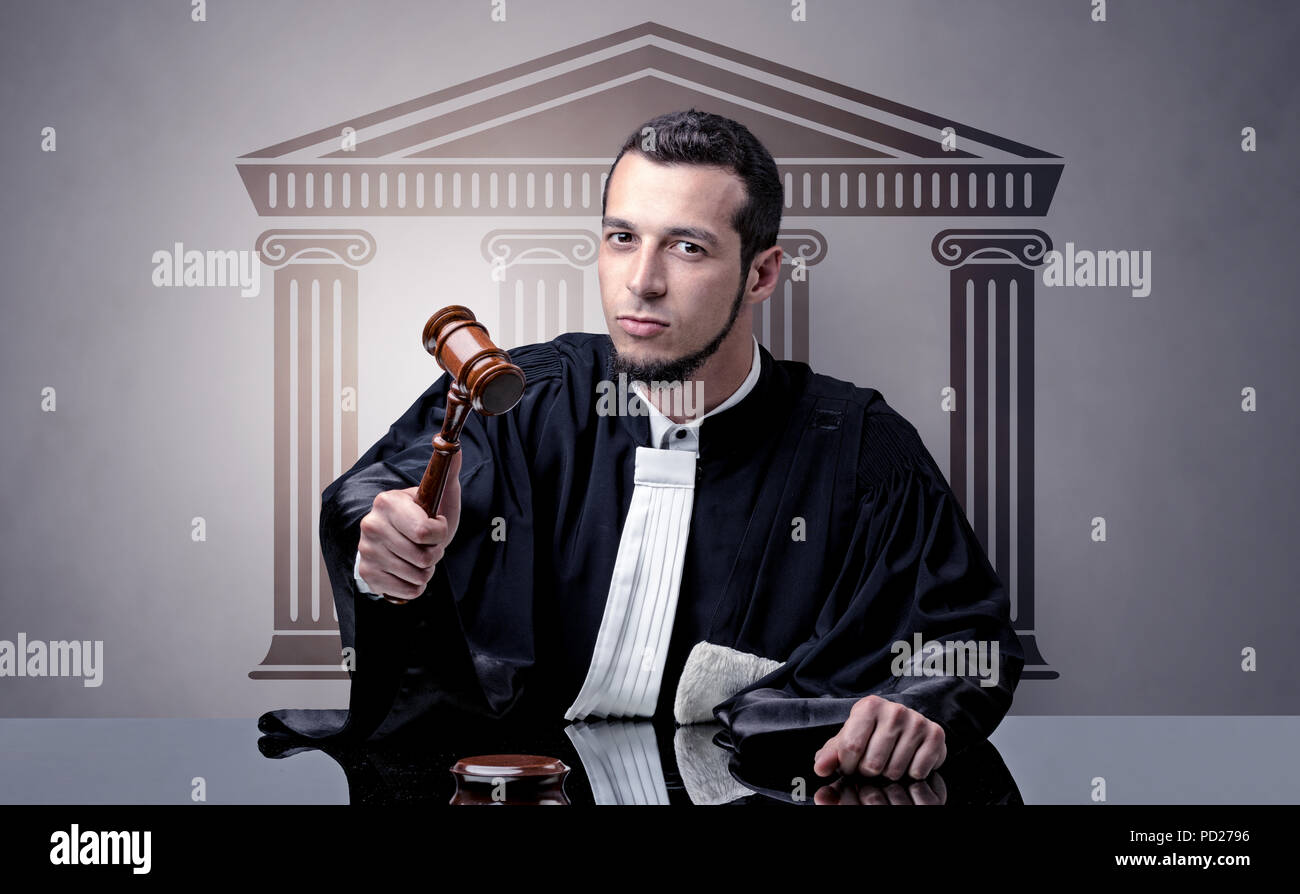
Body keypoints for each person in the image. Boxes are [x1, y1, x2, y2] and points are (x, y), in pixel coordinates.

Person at [260, 109, 1024, 785]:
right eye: (622, 239)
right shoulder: (522, 397)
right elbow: (374, 499)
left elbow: (961, 638)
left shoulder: (859, 448)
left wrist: (911, 708)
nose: (642, 282)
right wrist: (387, 545)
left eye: (687, 248)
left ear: (761, 273)